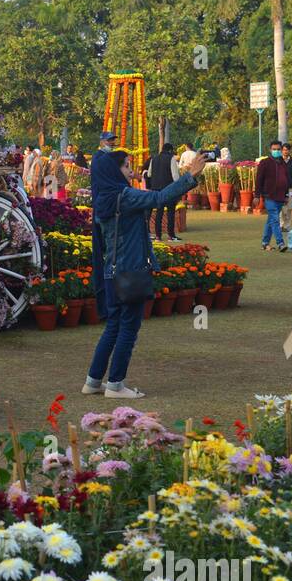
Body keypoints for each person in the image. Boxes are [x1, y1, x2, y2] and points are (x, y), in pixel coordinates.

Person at [85, 146, 206, 399]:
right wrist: (191, 176)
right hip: (130, 272)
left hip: (112, 271)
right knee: (128, 328)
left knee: (113, 327)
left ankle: (93, 381)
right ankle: (116, 384)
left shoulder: (103, 198)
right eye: (126, 166)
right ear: (113, 170)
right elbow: (159, 198)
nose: (131, 171)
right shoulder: (123, 196)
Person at [257, 140, 290, 251]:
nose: (276, 151)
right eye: (274, 149)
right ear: (270, 150)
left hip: (280, 196)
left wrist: (286, 195)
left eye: (278, 149)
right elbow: (259, 180)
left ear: (281, 150)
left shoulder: (283, 164)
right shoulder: (265, 163)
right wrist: (257, 195)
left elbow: (286, 181)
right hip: (269, 196)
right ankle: (280, 243)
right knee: (275, 219)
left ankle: (265, 242)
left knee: (271, 220)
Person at [146, 143, 180, 241]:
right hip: (168, 190)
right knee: (170, 213)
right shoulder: (171, 158)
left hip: (156, 190)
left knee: (159, 214)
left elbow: (149, 174)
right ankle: (171, 235)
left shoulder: (154, 158)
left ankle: (158, 236)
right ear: (170, 150)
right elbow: (176, 177)